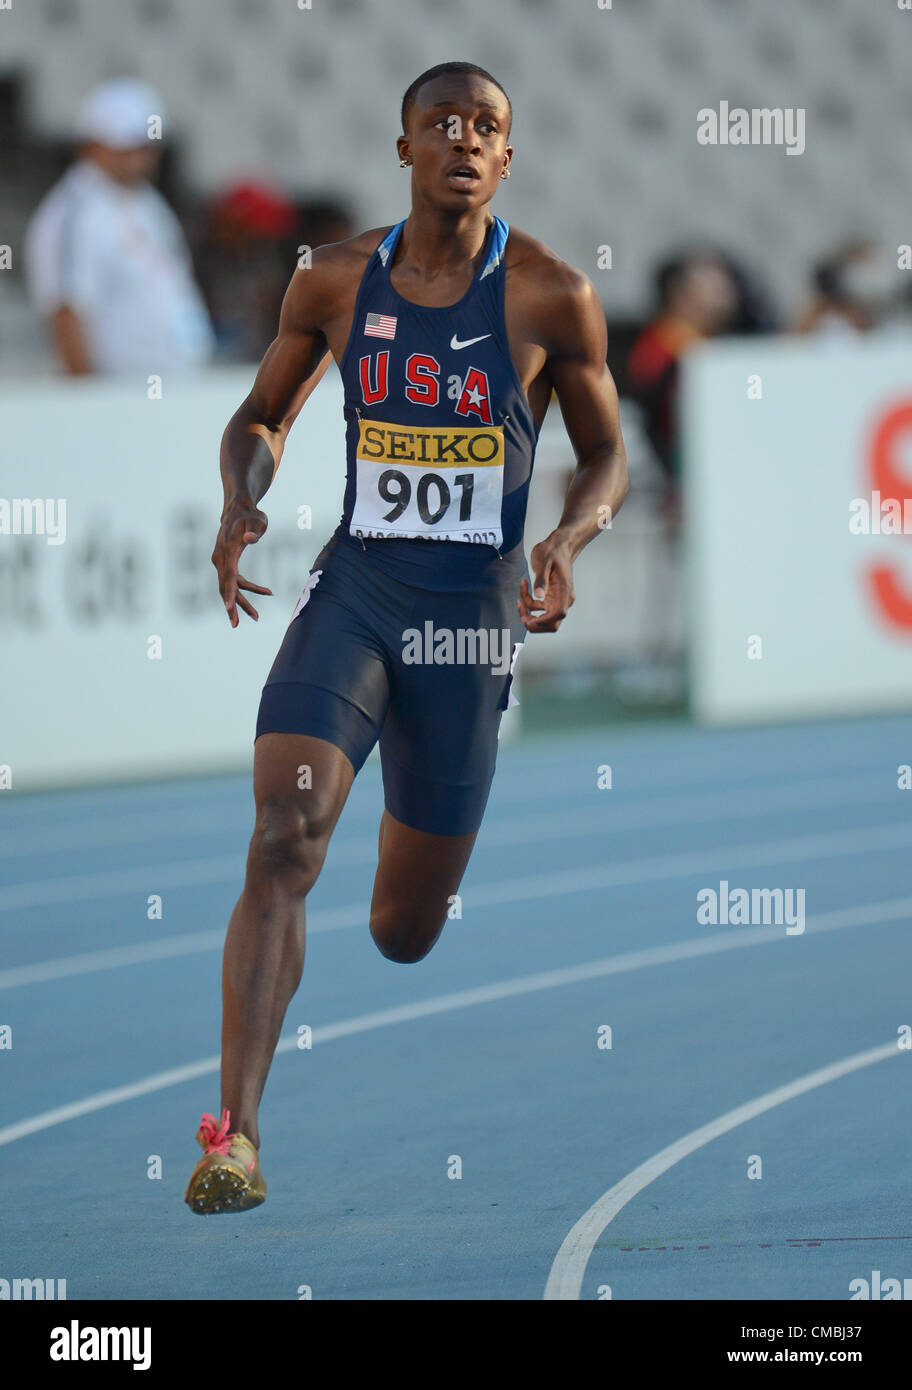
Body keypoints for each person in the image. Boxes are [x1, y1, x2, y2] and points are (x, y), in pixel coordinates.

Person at [184, 61, 630, 1214]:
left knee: (403, 930)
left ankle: (403, 863)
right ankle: (235, 1136)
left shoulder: (549, 295)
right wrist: (244, 495)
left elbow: (607, 455)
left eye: (488, 127)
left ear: (509, 159)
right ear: (405, 149)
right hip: (360, 595)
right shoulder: (333, 279)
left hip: (468, 629)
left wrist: (571, 538)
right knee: (284, 834)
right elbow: (262, 416)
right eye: (443, 123)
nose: (465, 141)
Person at [24, 78, 214, 376]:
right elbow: (66, 312)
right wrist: (92, 406)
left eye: (145, 147)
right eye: (124, 148)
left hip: (172, 391)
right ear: (90, 146)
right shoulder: (73, 213)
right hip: (121, 403)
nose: (137, 159)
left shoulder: (147, 203)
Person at [627, 249, 738, 518]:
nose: (724, 291)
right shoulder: (663, 349)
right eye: (711, 284)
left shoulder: (705, 348)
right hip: (685, 486)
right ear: (680, 293)